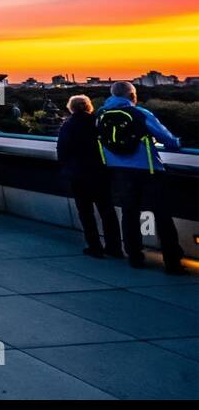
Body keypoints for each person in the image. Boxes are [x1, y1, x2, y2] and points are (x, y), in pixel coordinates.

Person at [97, 81, 184, 274]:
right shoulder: (141, 114)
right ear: (132, 95)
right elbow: (167, 140)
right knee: (162, 217)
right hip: (148, 171)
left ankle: (135, 257)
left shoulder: (101, 115)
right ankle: (172, 263)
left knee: (129, 215)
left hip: (118, 171)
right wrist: (178, 142)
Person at [57, 94, 121, 258]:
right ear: (88, 106)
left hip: (78, 174)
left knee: (85, 212)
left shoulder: (68, 125)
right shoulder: (98, 122)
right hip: (100, 172)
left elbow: (62, 152)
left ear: (71, 108)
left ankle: (94, 246)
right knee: (107, 210)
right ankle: (114, 247)